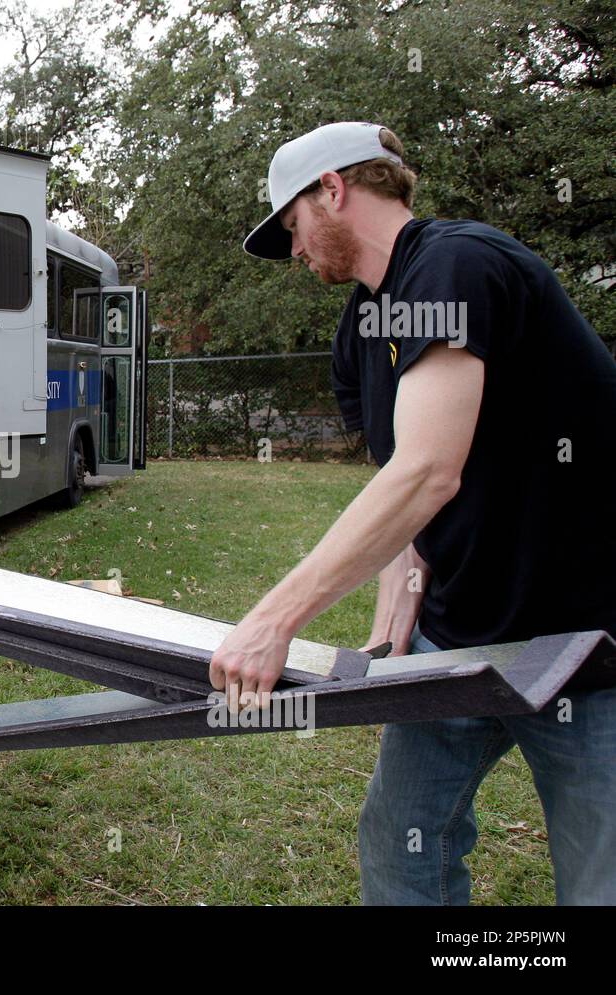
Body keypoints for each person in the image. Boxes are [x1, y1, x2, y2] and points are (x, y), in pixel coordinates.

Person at [215, 121, 616, 904]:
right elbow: (403, 496)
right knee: (401, 840)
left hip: (588, 644)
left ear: (334, 190)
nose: (295, 251)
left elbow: (428, 471)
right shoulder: (361, 331)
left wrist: (271, 620)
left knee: (599, 877)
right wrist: (389, 632)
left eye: (293, 226)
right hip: (460, 636)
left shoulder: (455, 265)